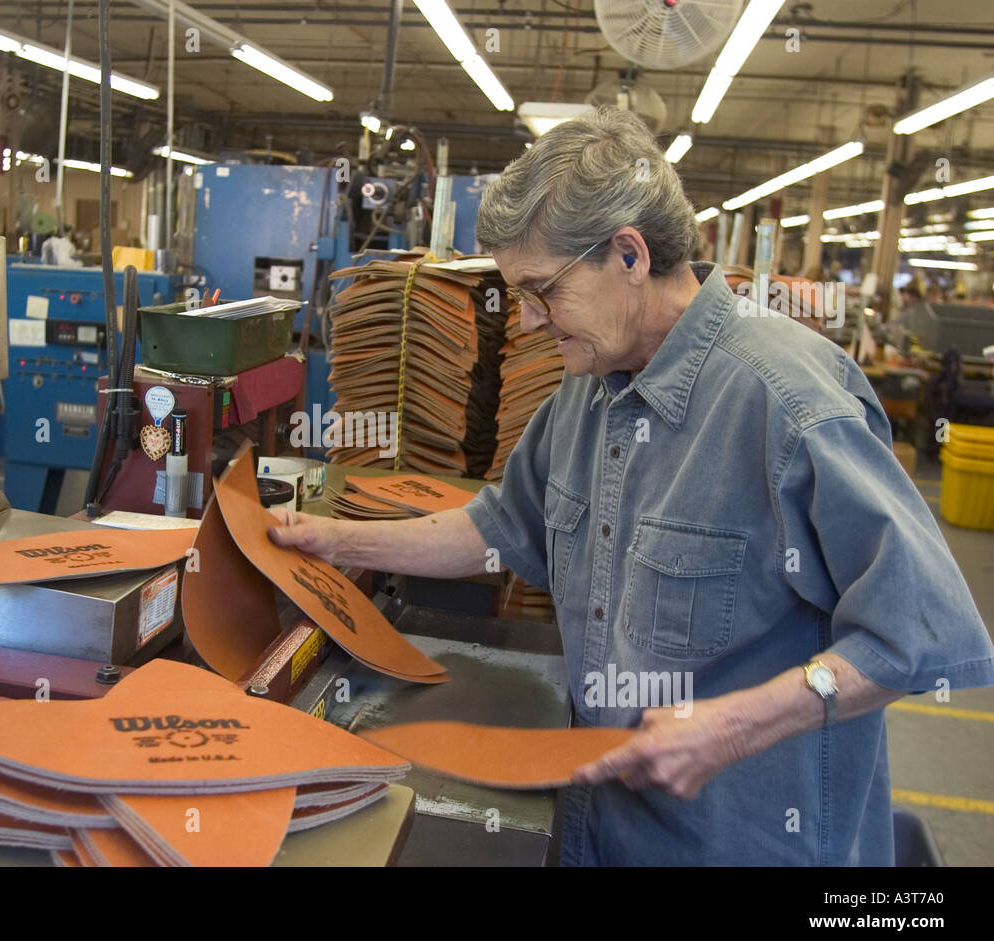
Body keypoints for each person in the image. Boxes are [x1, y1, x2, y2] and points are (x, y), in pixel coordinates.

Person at [270, 107, 994, 865]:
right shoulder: (589, 387)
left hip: (742, 842)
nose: (527, 322)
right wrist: (335, 539)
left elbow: (919, 629)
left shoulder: (787, 404)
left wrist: (734, 725)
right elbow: (497, 530)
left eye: (542, 290)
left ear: (629, 255)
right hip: (604, 827)